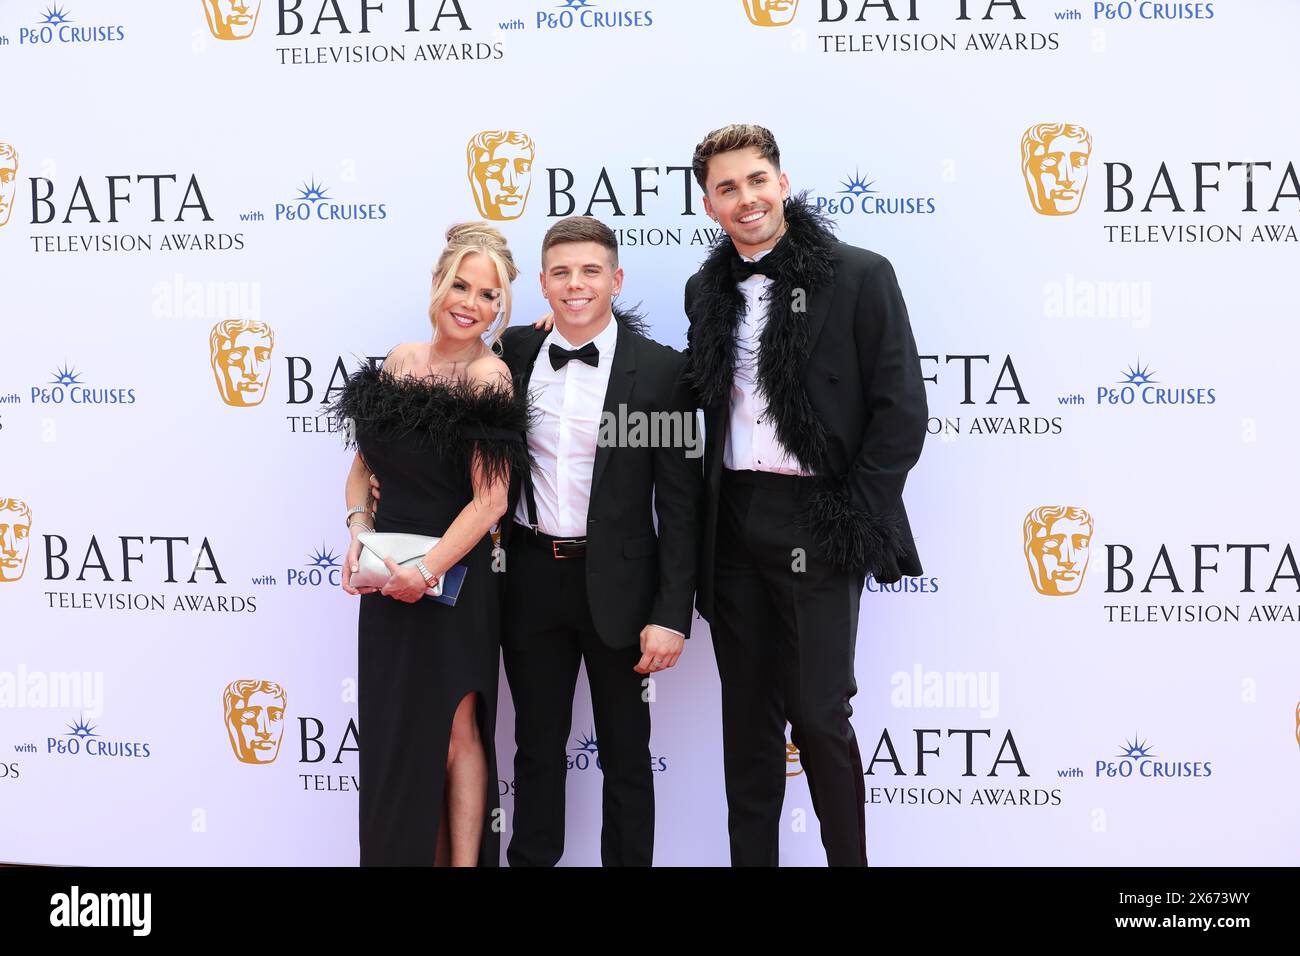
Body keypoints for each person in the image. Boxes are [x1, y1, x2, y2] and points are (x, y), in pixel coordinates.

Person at [373, 215, 701, 866]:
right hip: (527, 577)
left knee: (627, 753)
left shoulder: (663, 372)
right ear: (544, 284)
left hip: (623, 586)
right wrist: (384, 481)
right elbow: (443, 429)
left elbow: (683, 505)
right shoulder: (513, 356)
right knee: (535, 747)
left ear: (616, 279)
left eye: (589, 271)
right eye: (561, 273)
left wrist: (671, 614)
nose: (575, 285)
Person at [684, 123, 928, 866]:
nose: (746, 198)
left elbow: (902, 411)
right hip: (733, 522)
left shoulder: (860, 274)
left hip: (820, 517)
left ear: (782, 183)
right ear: (709, 203)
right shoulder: (705, 290)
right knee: (747, 723)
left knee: (820, 717)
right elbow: (688, 394)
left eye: (757, 180)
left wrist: (851, 515)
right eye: (728, 187)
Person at [331, 222, 530, 867]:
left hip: (456, 581)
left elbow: (492, 501)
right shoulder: (400, 360)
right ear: (438, 284)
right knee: (395, 732)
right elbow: (364, 466)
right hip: (386, 580)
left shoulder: (489, 378)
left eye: (489, 295)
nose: (472, 303)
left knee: (455, 729)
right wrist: (359, 532)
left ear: (501, 306)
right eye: (462, 286)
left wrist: (427, 570)